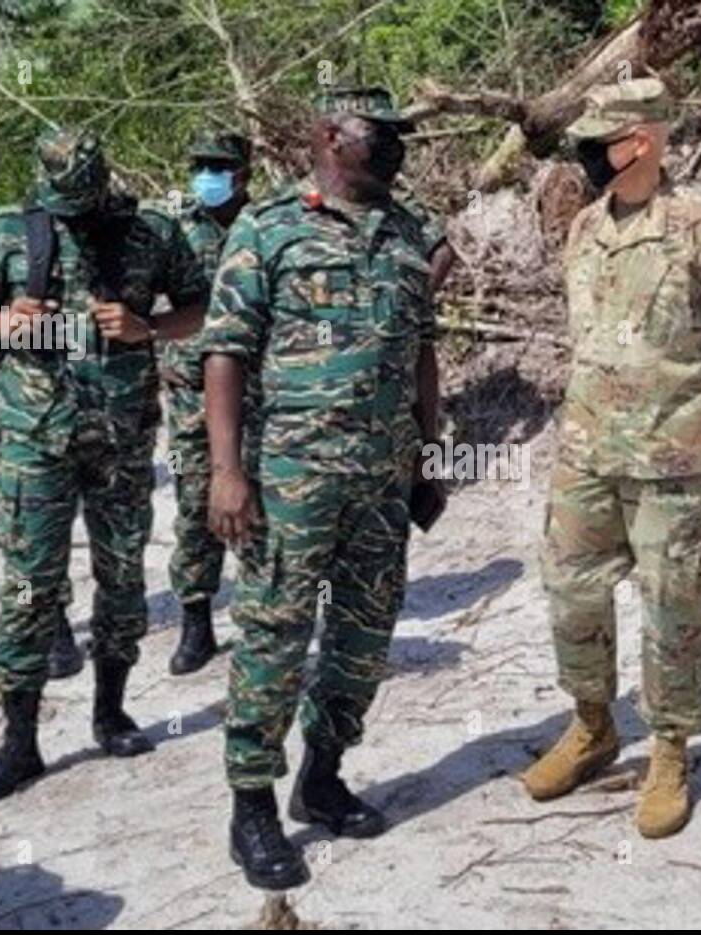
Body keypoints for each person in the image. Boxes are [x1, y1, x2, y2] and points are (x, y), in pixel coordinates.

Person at [522, 78, 701, 839]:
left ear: (640, 141)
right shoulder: (584, 229)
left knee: (673, 607)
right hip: (588, 449)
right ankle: (593, 723)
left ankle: (670, 749)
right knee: (570, 590)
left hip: (678, 458)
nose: (588, 154)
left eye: (600, 139)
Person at [203, 87, 443, 889]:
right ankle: (252, 804)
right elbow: (226, 353)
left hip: (382, 479)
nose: (397, 148)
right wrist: (228, 471)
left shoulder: (410, 231)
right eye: (383, 134)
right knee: (272, 637)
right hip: (291, 481)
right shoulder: (267, 227)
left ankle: (325, 771)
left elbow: (421, 353)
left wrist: (428, 458)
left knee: (365, 634)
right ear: (331, 136)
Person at [0, 127, 207, 807]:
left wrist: (148, 328)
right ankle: (19, 741)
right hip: (34, 439)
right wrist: (3, 323)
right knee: (31, 584)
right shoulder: (12, 230)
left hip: (120, 438)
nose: (70, 214)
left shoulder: (151, 233)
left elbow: (203, 305)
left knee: (122, 576)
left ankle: (111, 712)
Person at [150, 129, 255, 676]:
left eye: (219, 166)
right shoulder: (173, 230)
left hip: (262, 391)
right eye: (200, 166)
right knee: (196, 508)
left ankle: (268, 622)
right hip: (191, 391)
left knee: (264, 506)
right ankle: (196, 622)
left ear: (243, 173)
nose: (208, 176)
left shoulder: (267, 226)